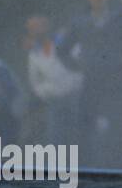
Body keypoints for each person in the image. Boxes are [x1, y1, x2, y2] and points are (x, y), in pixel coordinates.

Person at [58, 0, 122, 166]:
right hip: (91, 79)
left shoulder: (121, 18)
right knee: (85, 124)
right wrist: (77, 65)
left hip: (117, 80)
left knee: (118, 125)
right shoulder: (80, 21)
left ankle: (118, 165)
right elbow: (62, 49)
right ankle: (86, 166)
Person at [22, 14, 82, 145]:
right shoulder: (34, 54)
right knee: (56, 141)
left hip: (78, 98)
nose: (36, 30)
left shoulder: (66, 41)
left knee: (79, 137)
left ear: (46, 25)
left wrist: (74, 84)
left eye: (38, 26)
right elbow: (35, 82)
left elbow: (82, 65)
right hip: (55, 103)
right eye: (32, 28)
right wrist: (49, 92)